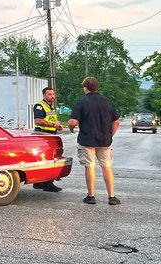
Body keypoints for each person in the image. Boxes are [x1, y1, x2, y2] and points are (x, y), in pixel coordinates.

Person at [67, 76, 121, 205]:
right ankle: (111, 196)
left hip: (87, 140)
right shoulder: (107, 102)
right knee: (107, 166)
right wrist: (110, 135)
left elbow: (72, 122)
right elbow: (116, 122)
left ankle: (91, 196)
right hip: (105, 141)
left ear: (86, 88)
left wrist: (71, 127)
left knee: (90, 166)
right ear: (97, 87)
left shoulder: (81, 102)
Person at [32, 86, 63, 192]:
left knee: (43, 159)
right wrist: (53, 125)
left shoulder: (51, 107)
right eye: (49, 94)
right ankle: (48, 184)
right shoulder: (40, 106)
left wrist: (58, 125)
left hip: (50, 135)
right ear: (44, 95)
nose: (52, 96)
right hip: (43, 136)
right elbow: (38, 120)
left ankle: (38, 182)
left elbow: (52, 120)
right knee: (48, 159)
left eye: (53, 94)